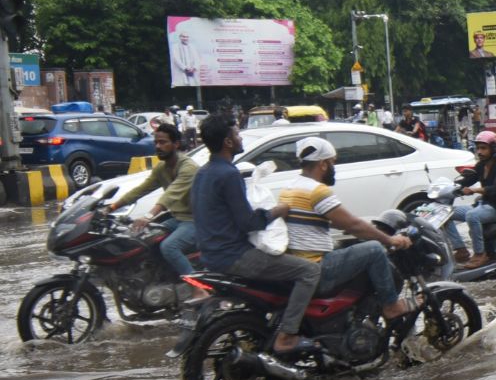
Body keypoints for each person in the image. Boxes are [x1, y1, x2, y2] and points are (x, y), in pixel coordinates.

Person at [191, 114, 321, 356]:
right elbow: (247, 223)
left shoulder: (203, 173)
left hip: (210, 256)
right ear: (228, 142)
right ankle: (287, 335)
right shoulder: (229, 174)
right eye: (237, 134)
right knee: (309, 271)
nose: (240, 138)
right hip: (235, 257)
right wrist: (277, 211)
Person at [279, 137, 421, 320]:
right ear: (323, 164)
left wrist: (363, 228)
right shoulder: (317, 191)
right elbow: (352, 224)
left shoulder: (290, 188)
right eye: (332, 162)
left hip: (298, 264)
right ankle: (391, 305)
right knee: (375, 250)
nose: (333, 167)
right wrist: (390, 239)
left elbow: (336, 221)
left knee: (351, 246)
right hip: (317, 266)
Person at [107, 122, 201, 292]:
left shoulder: (189, 168)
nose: (158, 146)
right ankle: (159, 281)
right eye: (156, 142)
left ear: (176, 144)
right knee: (141, 238)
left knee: (169, 247)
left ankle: (198, 288)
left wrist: (148, 216)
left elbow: (170, 195)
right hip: (177, 219)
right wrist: (111, 208)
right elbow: (140, 190)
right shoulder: (162, 168)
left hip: (195, 221)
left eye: (163, 142)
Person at [444, 131, 496, 269]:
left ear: (493, 149)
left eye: (483, 148)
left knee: (471, 215)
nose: (479, 152)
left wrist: (474, 190)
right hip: (482, 205)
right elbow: (468, 180)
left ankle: (480, 254)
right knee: (446, 213)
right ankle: (461, 250)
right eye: (478, 148)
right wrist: (449, 187)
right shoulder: (480, 166)